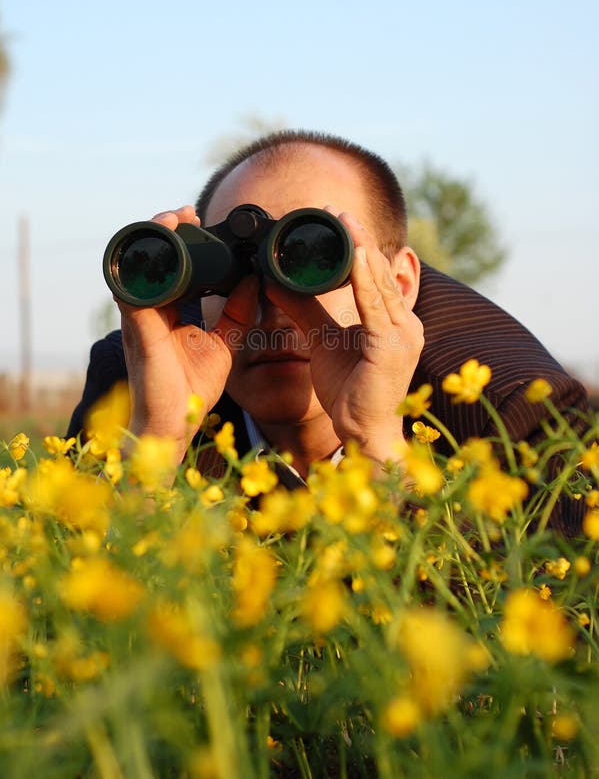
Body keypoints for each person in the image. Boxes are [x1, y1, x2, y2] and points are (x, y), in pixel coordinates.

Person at [69, 130, 588, 532]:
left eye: (314, 262)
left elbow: (538, 641)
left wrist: (379, 441)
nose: (272, 311)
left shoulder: (514, 410)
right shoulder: (138, 380)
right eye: (233, 271)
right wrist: (156, 443)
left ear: (401, 283)